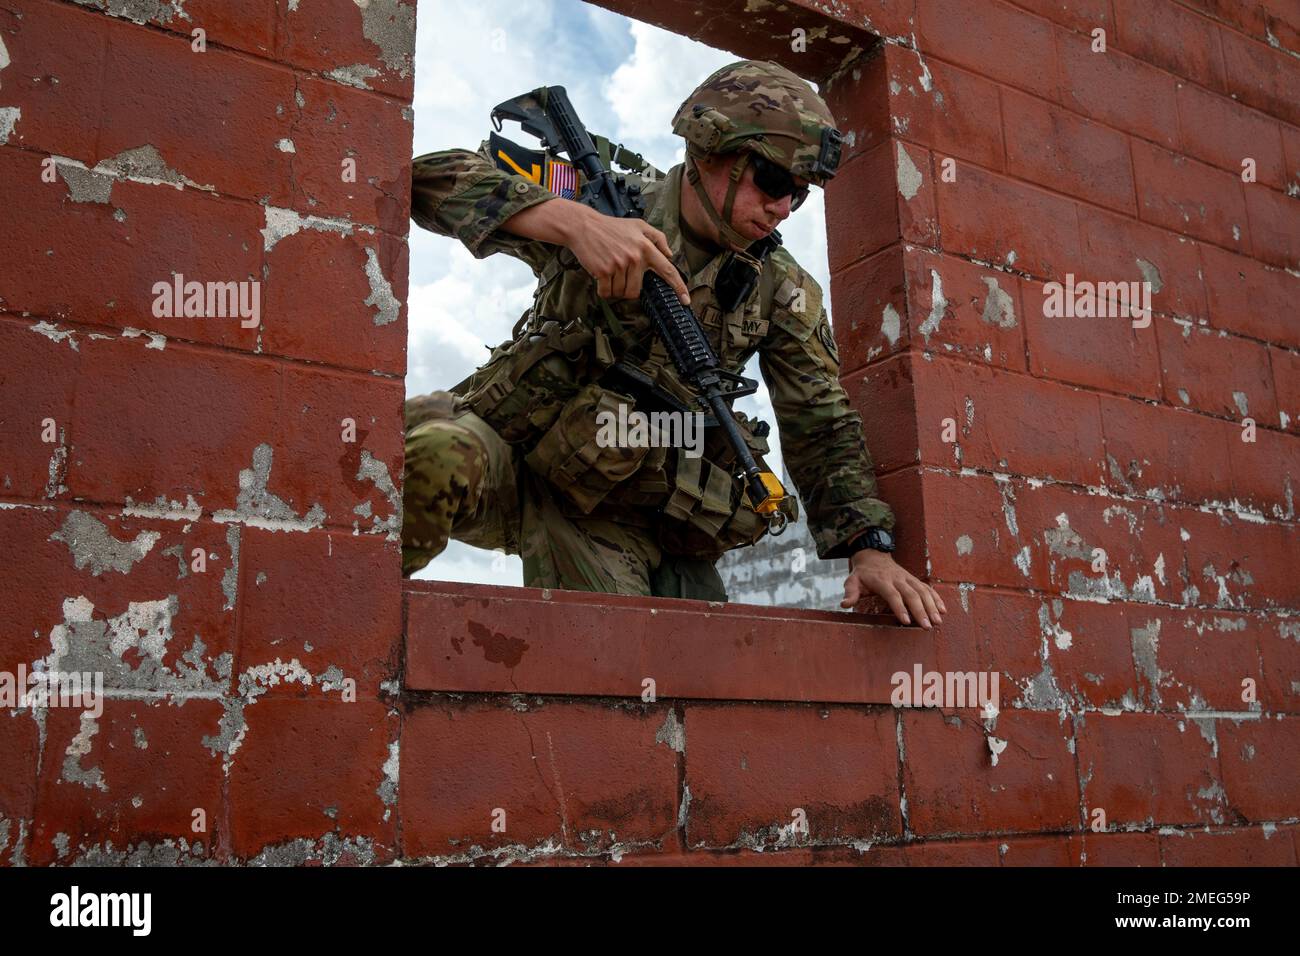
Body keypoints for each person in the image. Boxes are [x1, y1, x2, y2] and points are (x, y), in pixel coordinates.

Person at [403, 59, 946, 628]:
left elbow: (822, 422)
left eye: (798, 195)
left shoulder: (779, 289)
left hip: (623, 505)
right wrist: (571, 224)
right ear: (709, 149)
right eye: (773, 181)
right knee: (436, 455)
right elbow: (428, 178)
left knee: (682, 668)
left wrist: (868, 546)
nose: (783, 208)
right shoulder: (602, 200)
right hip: (513, 458)